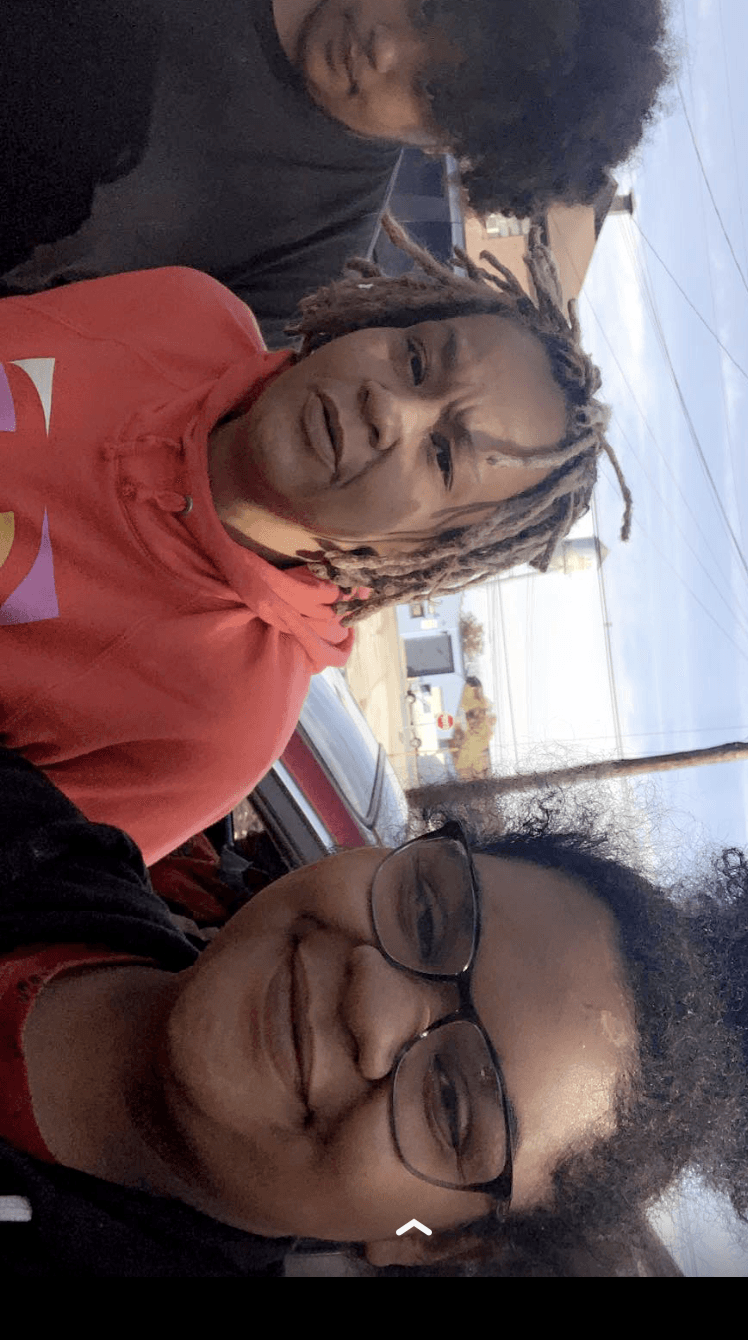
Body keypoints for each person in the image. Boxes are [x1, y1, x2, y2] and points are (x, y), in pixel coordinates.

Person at [0, 744, 748, 1278]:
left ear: (433, 1239)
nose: (373, 1002)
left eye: (451, 1105)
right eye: (428, 916)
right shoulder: (33, 825)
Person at [0, 213, 631, 868]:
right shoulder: (189, 308)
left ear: (414, 552)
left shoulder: (218, 726)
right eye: (416, 359)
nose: (389, 409)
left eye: (443, 456)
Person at [0, 0, 680, 339]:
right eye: (431, 5)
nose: (386, 49)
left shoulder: (306, 262)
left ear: (446, 146)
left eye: (432, 91)